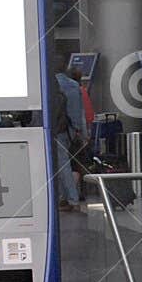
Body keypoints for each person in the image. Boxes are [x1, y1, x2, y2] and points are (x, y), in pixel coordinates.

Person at [51, 64, 83, 211]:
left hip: (55, 129)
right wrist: (79, 129)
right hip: (68, 129)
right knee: (63, 163)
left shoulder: (49, 83)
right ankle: (65, 198)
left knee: (61, 164)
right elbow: (78, 110)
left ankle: (72, 198)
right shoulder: (74, 85)